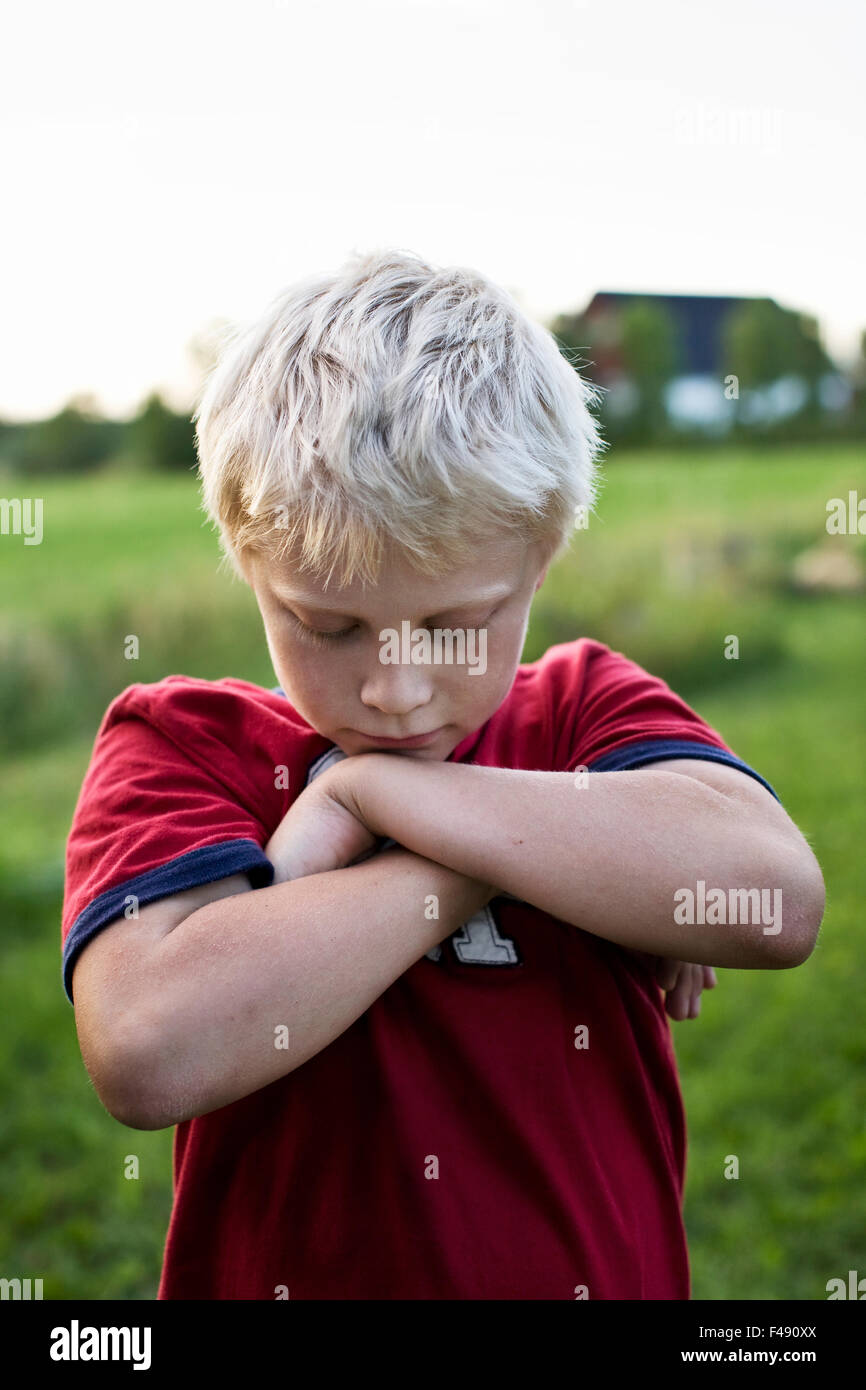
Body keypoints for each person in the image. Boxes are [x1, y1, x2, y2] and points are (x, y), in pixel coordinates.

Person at [61, 249, 825, 1299]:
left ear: (537, 563)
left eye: (454, 625)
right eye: (329, 625)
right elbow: (151, 1049)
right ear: (248, 565)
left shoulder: (582, 710)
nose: (395, 690)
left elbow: (772, 901)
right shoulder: (184, 744)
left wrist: (371, 797)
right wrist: (526, 861)